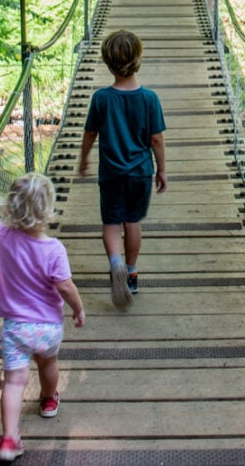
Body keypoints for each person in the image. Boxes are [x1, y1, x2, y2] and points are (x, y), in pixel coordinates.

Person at [0, 170, 85, 463]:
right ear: (48, 210)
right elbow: (65, 286)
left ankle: (9, 439)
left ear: (11, 206)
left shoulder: (1, 236)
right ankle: (49, 400)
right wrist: (78, 309)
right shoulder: (54, 249)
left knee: (14, 383)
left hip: (15, 328)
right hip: (48, 328)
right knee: (48, 362)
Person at [79, 29, 167, 309]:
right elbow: (156, 139)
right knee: (132, 221)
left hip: (112, 173)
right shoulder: (149, 99)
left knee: (110, 222)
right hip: (141, 172)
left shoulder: (101, 98)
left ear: (107, 62)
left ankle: (114, 263)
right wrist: (162, 170)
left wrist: (83, 159)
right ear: (138, 59)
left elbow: (90, 134)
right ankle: (130, 273)